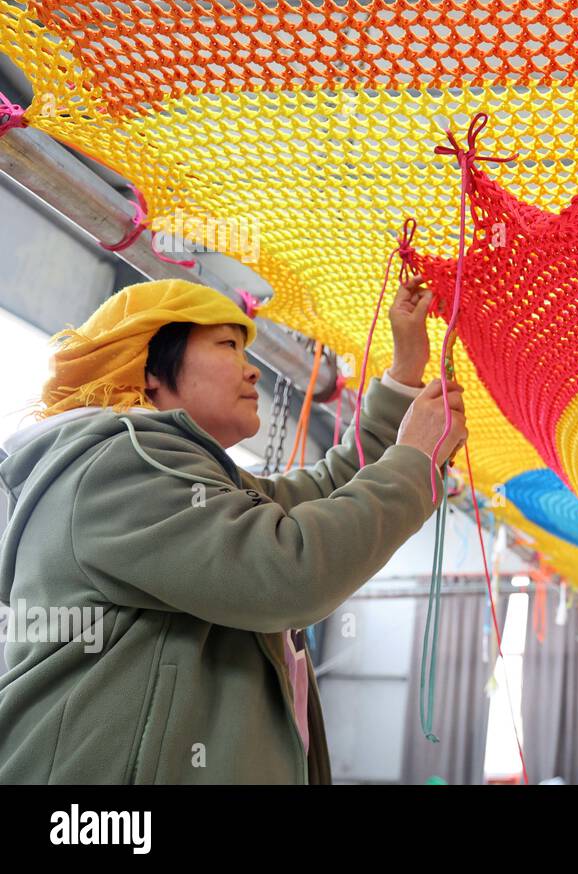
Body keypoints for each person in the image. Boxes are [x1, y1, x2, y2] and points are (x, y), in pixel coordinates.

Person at [0, 277, 467, 783]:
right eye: (228, 345)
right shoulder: (118, 466)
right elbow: (289, 568)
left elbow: (325, 490)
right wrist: (415, 460)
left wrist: (404, 374)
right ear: (150, 368)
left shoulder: (182, 479)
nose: (251, 370)